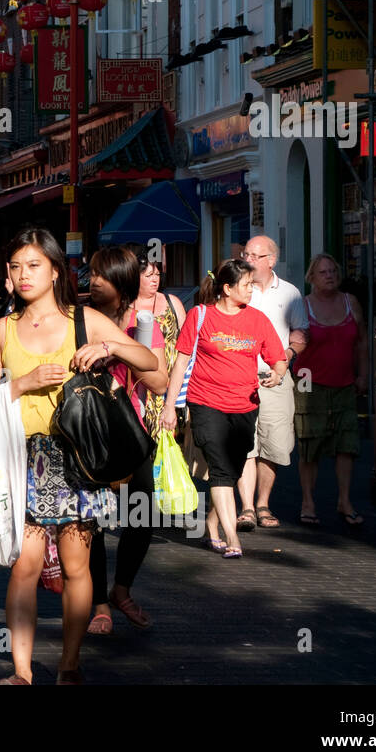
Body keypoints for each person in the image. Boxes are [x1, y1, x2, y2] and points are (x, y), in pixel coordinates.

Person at [0, 229, 158, 684]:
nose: (23, 275)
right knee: (25, 566)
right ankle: (21, 672)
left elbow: (151, 362)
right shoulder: (2, 330)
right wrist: (20, 384)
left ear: (56, 270)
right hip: (25, 459)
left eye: (33, 265)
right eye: (16, 266)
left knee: (77, 567)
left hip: (79, 459)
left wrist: (110, 346)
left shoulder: (85, 319)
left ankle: (69, 664)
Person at [161, 260, 289, 558]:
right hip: (206, 403)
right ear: (227, 288)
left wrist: (278, 374)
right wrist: (170, 406)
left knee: (230, 470)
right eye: (246, 285)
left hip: (245, 405)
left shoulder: (257, 319)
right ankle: (233, 538)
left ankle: (211, 524)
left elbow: (278, 358)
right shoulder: (200, 315)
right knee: (220, 468)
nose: (251, 291)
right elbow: (180, 362)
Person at [85, 246, 169, 636]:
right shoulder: (77, 320)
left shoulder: (144, 321)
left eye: (102, 275)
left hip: (132, 431)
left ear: (122, 282)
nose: (93, 281)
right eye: (91, 274)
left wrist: (117, 349)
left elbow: (159, 381)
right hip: (89, 434)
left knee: (142, 515)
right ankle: (99, 603)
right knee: (95, 522)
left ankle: (122, 590)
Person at [236, 236, 308, 531]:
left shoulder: (290, 293)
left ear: (271, 260)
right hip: (239, 377)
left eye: (256, 255)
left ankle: (264, 502)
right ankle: (247, 508)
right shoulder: (238, 290)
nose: (249, 259)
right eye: (246, 253)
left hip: (275, 377)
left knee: (274, 445)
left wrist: (286, 357)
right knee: (245, 445)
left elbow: (301, 333)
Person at [293, 254, 368, 527]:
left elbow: (361, 341)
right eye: (323, 272)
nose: (329, 276)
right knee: (310, 444)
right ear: (311, 277)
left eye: (333, 271)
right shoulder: (303, 306)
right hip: (309, 384)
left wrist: (363, 374)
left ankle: (344, 501)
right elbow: (292, 340)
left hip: (345, 383)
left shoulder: (351, 302)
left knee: (347, 445)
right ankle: (308, 502)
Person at [132, 247, 189, 439]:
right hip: (142, 382)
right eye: (148, 275)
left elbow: (187, 343)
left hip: (173, 382)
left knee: (173, 438)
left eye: (157, 274)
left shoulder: (171, 302)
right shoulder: (127, 307)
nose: (154, 279)